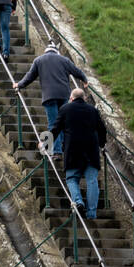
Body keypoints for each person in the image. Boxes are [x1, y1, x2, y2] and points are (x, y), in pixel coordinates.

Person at [13, 40, 89, 157]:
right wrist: (84, 79)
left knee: (53, 123)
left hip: (49, 96)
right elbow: (76, 71)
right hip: (64, 95)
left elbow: (30, 76)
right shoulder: (64, 60)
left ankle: (57, 152)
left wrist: (19, 85)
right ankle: (64, 148)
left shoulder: (39, 60)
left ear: (46, 51)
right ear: (56, 51)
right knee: (63, 122)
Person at [50, 89, 107, 220]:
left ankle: (78, 202)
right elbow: (102, 129)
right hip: (91, 152)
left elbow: (55, 128)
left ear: (71, 98)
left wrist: (44, 143)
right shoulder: (93, 110)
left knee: (71, 179)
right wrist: (102, 144)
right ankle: (91, 214)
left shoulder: (65, 109)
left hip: (73, 151)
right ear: (84, 98)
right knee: (92, 181)